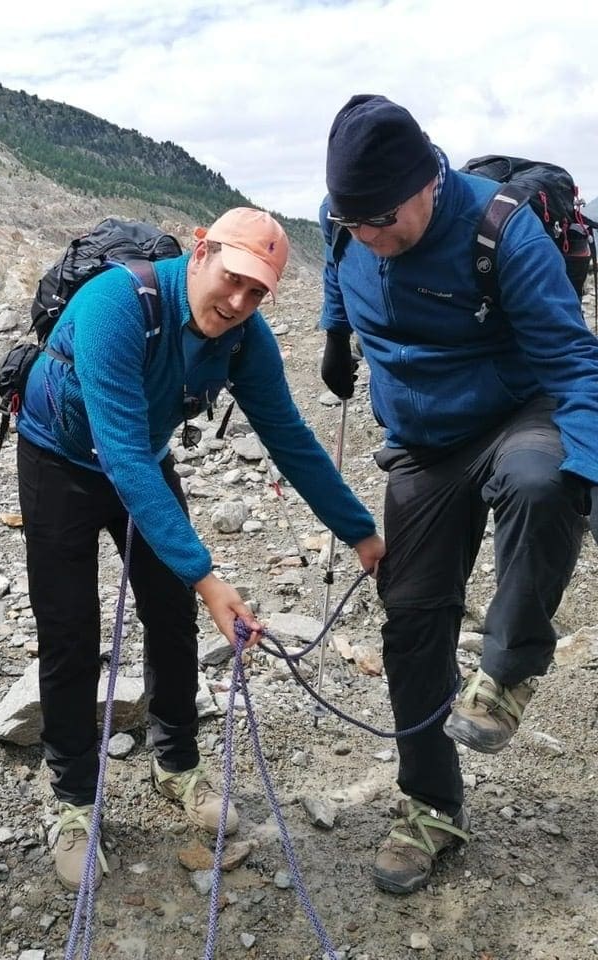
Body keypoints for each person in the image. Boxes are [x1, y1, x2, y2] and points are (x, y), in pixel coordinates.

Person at [15, 206, 386, 890]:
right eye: (233, 279)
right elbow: (121, 453)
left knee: (171, 615)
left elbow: (290, 439)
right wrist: (209, 577)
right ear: (201, 251)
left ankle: (177, 765)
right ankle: (71, 803)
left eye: (258, 293)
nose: (239, 301)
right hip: (61, 459)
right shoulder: (115, 305)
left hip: (140, 456)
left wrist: (361, 532)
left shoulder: (244, 338)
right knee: (70, 631)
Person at [318, 94, 598, 895]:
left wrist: (591, 467)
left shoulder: (503, 234)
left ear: (426, 182)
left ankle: (508, 669)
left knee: (546, 480)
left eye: (383, 220)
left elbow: (576, 365)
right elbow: (340, 262)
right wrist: (336, 334)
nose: (370, 235)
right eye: (354, 221)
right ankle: (431, 807)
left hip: (516, 412)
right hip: (421, 446)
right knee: (410, 624)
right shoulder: (346, 221)